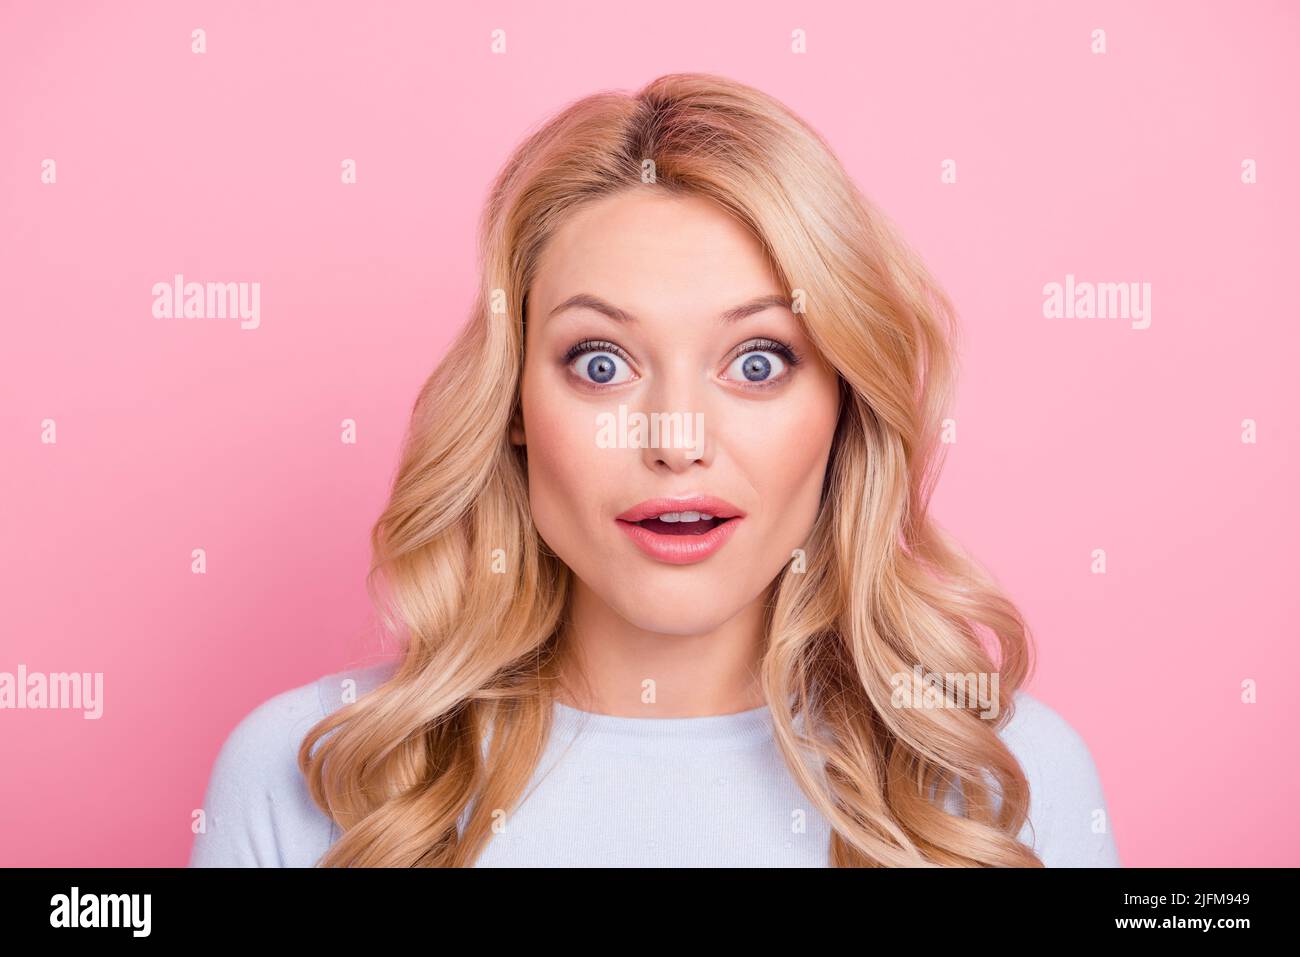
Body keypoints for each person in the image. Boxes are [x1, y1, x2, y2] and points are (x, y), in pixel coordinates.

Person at [190, 72, 1121, 868]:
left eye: (758, 362)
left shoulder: (1002, 780)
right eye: (601, 362)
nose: (678, 438)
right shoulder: (314, 772)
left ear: (843, 410)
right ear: (513, 407)